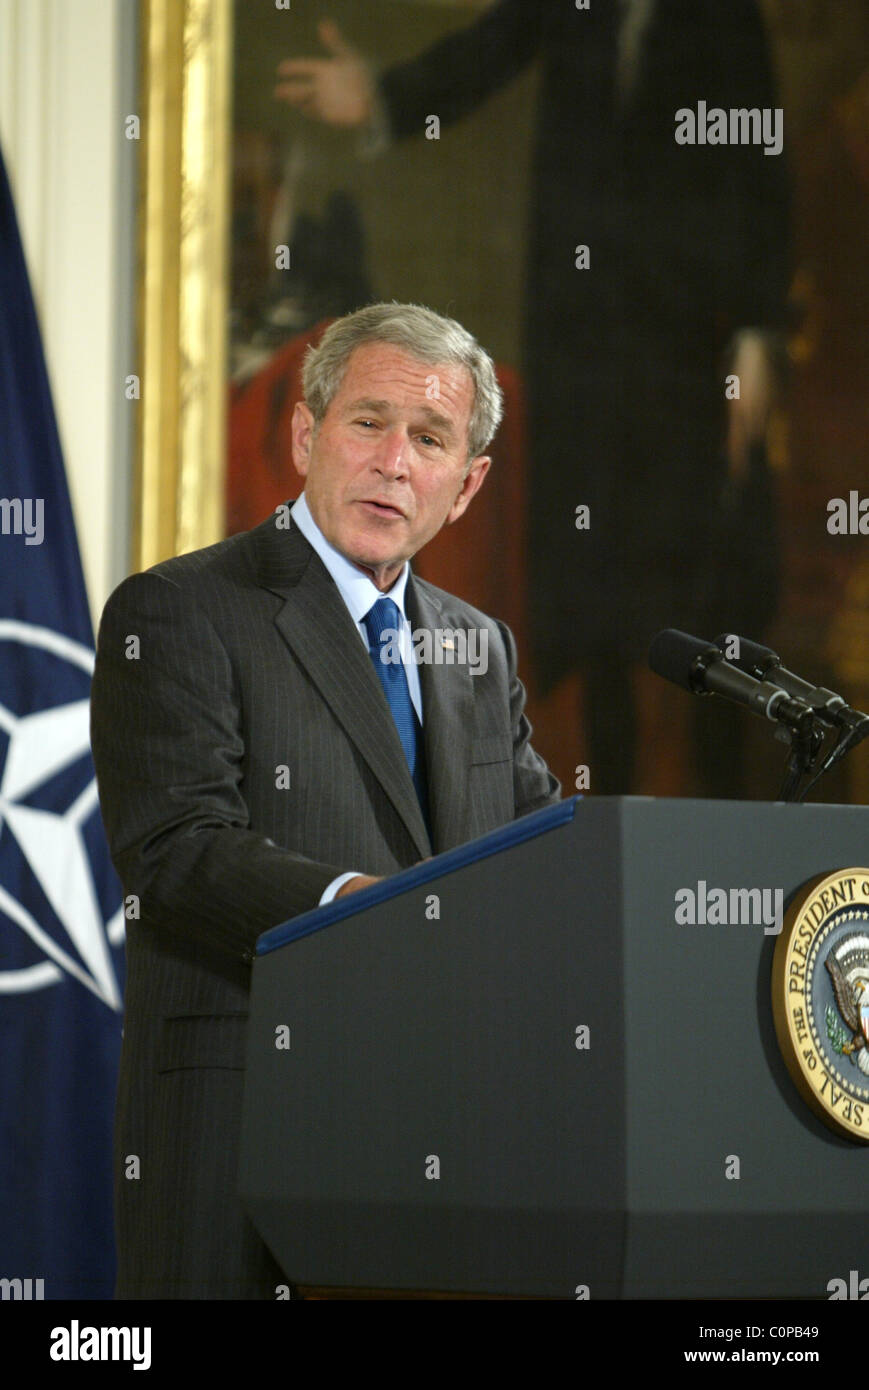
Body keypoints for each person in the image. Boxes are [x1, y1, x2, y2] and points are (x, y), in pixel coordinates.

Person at [90, 302, 560, 1299]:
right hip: (247, 1135)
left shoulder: (478, 648)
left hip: (444, 1150)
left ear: (465, 485)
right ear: (306, 435)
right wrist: (363, 910)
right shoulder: (180, 610)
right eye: (367, 421)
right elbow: (178, 847)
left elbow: (544, 861)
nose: (394, 460)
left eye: (428, 438)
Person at [275, 1, 791, 797]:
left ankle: (718, 814)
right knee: (592, 593)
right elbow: (487, 52)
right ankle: (608, 810)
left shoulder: (724, 18)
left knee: (694, 578)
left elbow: (762, 158)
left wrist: (757, 327)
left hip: (691, 345)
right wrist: (382, 97)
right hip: (580, 342)